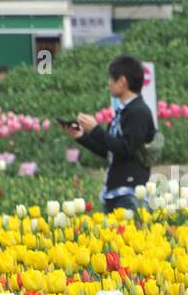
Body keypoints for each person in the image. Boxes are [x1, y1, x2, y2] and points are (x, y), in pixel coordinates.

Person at [60, 55, 157, 215]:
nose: (109, 83)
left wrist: (96, 129)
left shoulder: (139, 112)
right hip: (115, 190)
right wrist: (81, 136)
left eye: (112, 79)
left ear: (123, 81)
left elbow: (126, 149)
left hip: (130, 192)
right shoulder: (123, 112)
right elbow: (109, 151)